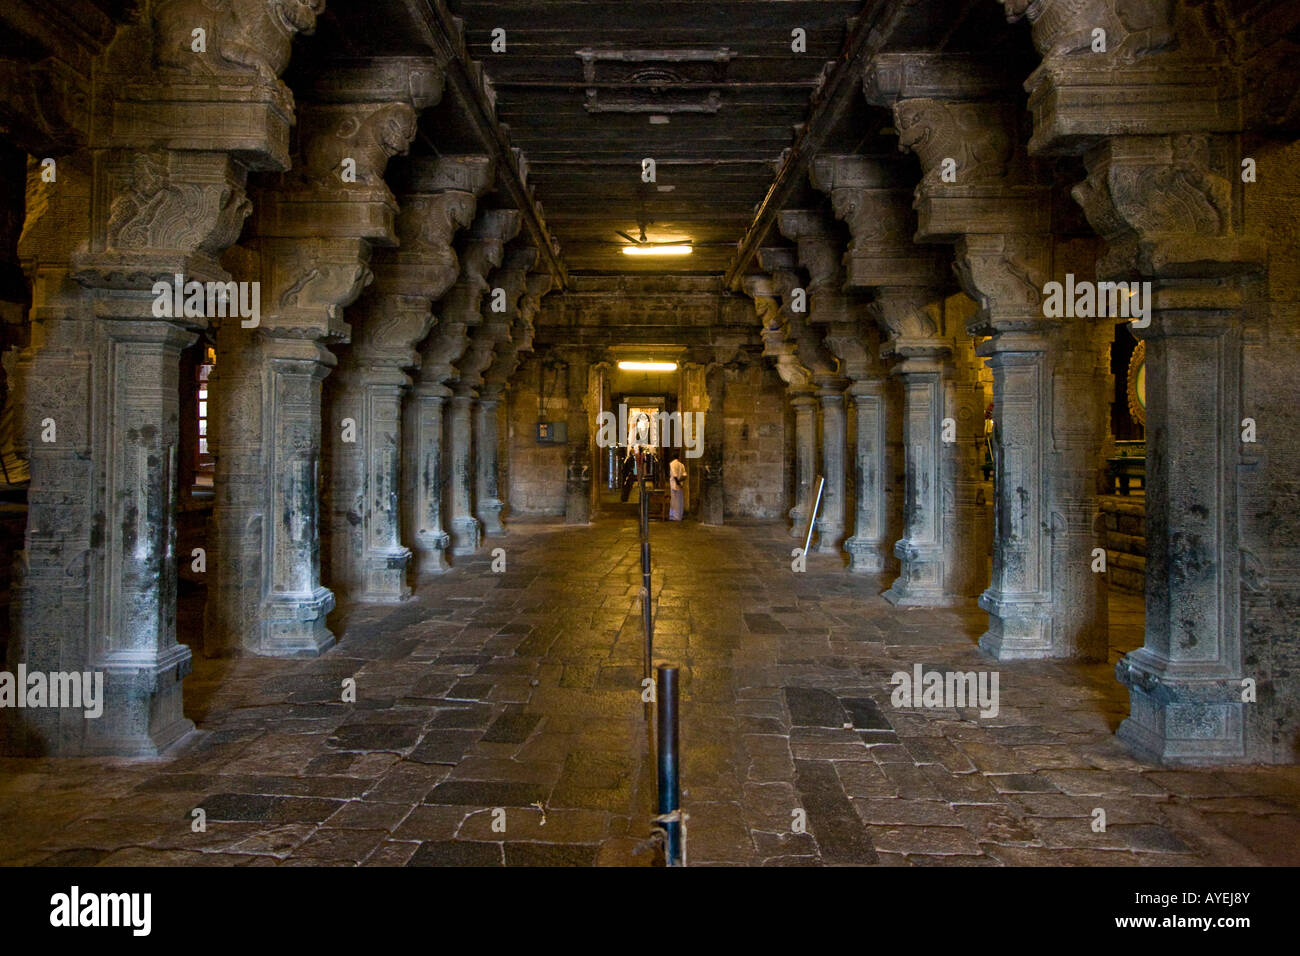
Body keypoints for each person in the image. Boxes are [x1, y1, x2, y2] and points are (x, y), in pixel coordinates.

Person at [668, 454, 686, 521]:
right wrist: (680, 483)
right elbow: (684, 475)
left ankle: (674, 516)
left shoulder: (672, 464)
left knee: (674, 500)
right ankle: (679, 516)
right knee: (680, 501)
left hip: (674, 484)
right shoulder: (681, 465)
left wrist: (677, 483)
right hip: (680, 484)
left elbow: (674, 475)